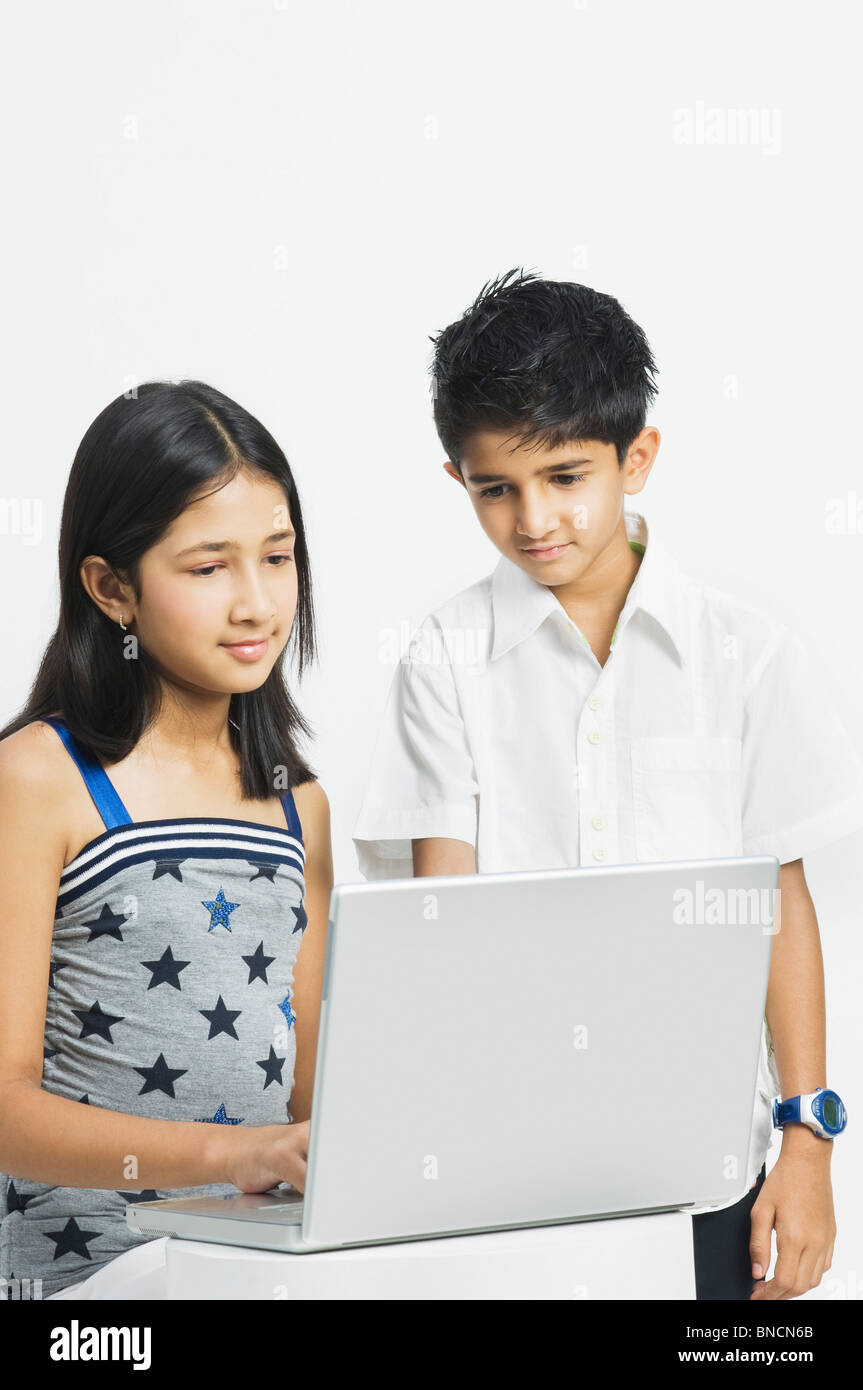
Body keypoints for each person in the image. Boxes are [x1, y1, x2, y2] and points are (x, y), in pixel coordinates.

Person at [353, 269, 863, 1300]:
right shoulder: (443, 658)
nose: (532, 517)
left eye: (564, 477)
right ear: (456, 480)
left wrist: (804, 1144)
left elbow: (777, 908)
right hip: (502, 1163)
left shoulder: (742, 657)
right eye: (495, 487)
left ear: (637, 459)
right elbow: (436, 916)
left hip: (706, 1159)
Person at [0, 381, 333, 1300]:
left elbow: (311, 1097)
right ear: (112, 589)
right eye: (207, 568)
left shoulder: (300, 804)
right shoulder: (40, 779)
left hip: (245, 1272)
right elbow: (4, 1106)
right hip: (81, 1287)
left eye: (277, 556)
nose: (257, 604)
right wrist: (237, 1151)